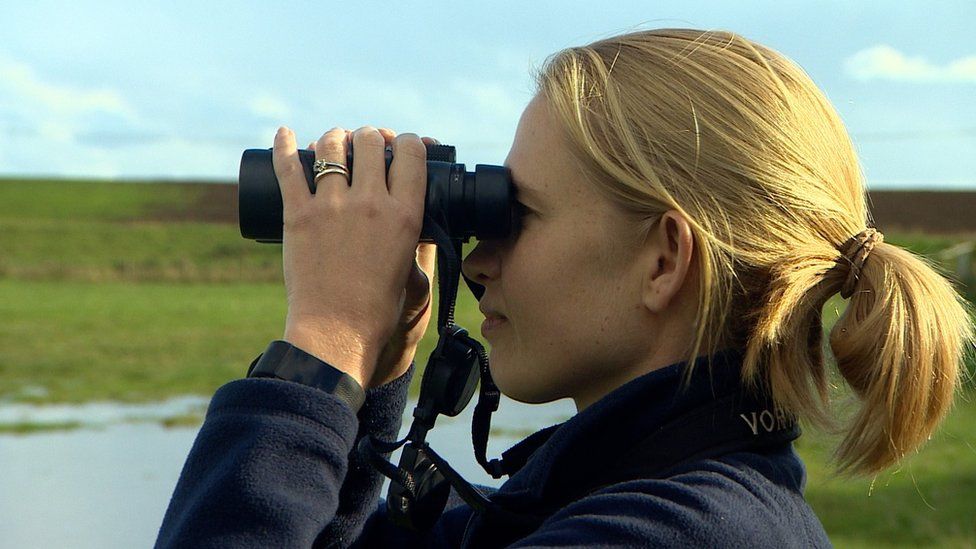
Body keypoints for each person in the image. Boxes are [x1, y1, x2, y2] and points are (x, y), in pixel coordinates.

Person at [156, 28, 975, 548]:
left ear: (663, 260)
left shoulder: (675, 532)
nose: (478, 261)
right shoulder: (605, 493)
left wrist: (322, 343)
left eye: (524, 213)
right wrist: (371, 369)